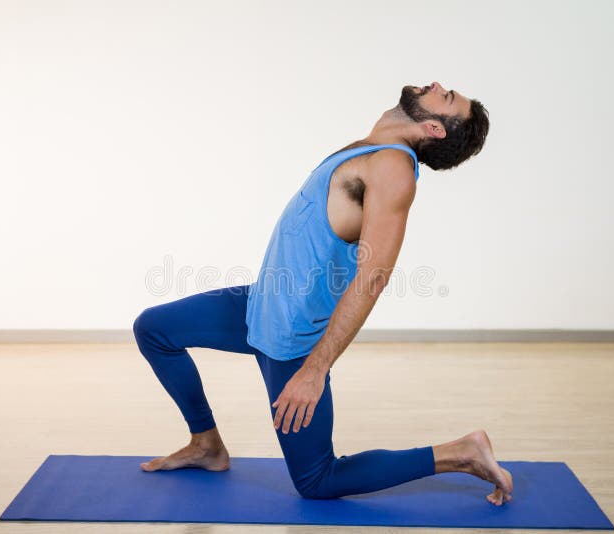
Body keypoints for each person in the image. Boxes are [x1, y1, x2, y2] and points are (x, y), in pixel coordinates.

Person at [133, 82, 513, 505]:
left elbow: (373, 276)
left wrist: (314, 369)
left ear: (433, 128)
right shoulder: (371, 149)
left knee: (316, 481)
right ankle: (206, 446)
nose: (438, 86)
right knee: (154, 329)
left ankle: (459, 453)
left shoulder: (393, 170)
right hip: (260, 305)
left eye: (446, 98)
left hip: (291, 339)